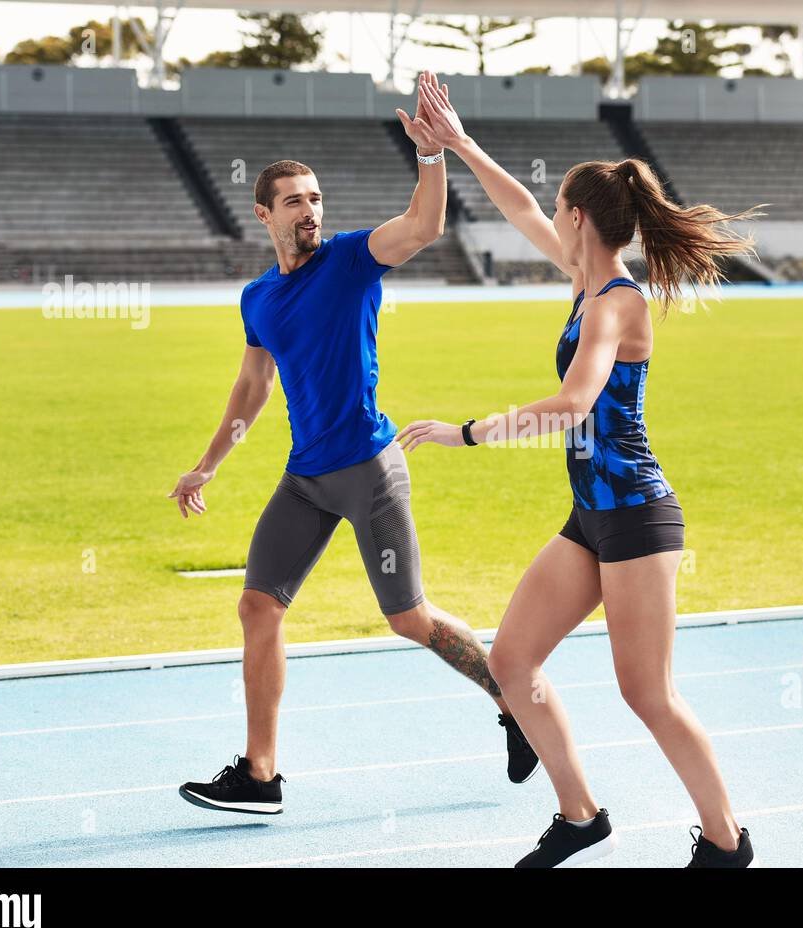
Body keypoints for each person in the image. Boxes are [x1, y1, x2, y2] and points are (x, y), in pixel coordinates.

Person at [396, 79, 759, 867]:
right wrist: (457, 145)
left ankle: (728, 841)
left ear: (582, 217)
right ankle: (579, 814)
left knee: (647, 692)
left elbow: (570, 403)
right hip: (592, 517)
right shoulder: (584, 278)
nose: (549, 218)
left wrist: (468, 432)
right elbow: (520, 205)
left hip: (634, 513)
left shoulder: (616, 304)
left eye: (561, 208)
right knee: (512, 660)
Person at [169, 71, 538, 816]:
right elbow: (252, 388)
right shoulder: (258, 297)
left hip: (370, 471)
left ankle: (516, 703)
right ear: (263, 213)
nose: (311, 209)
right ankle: (261, 774)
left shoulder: (351, 259)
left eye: (316, 198)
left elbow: (423, 226)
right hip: (306, 478)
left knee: (409, 617)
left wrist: (431, 154)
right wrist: (206, 465)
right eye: (296, 200)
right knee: (257, 608)